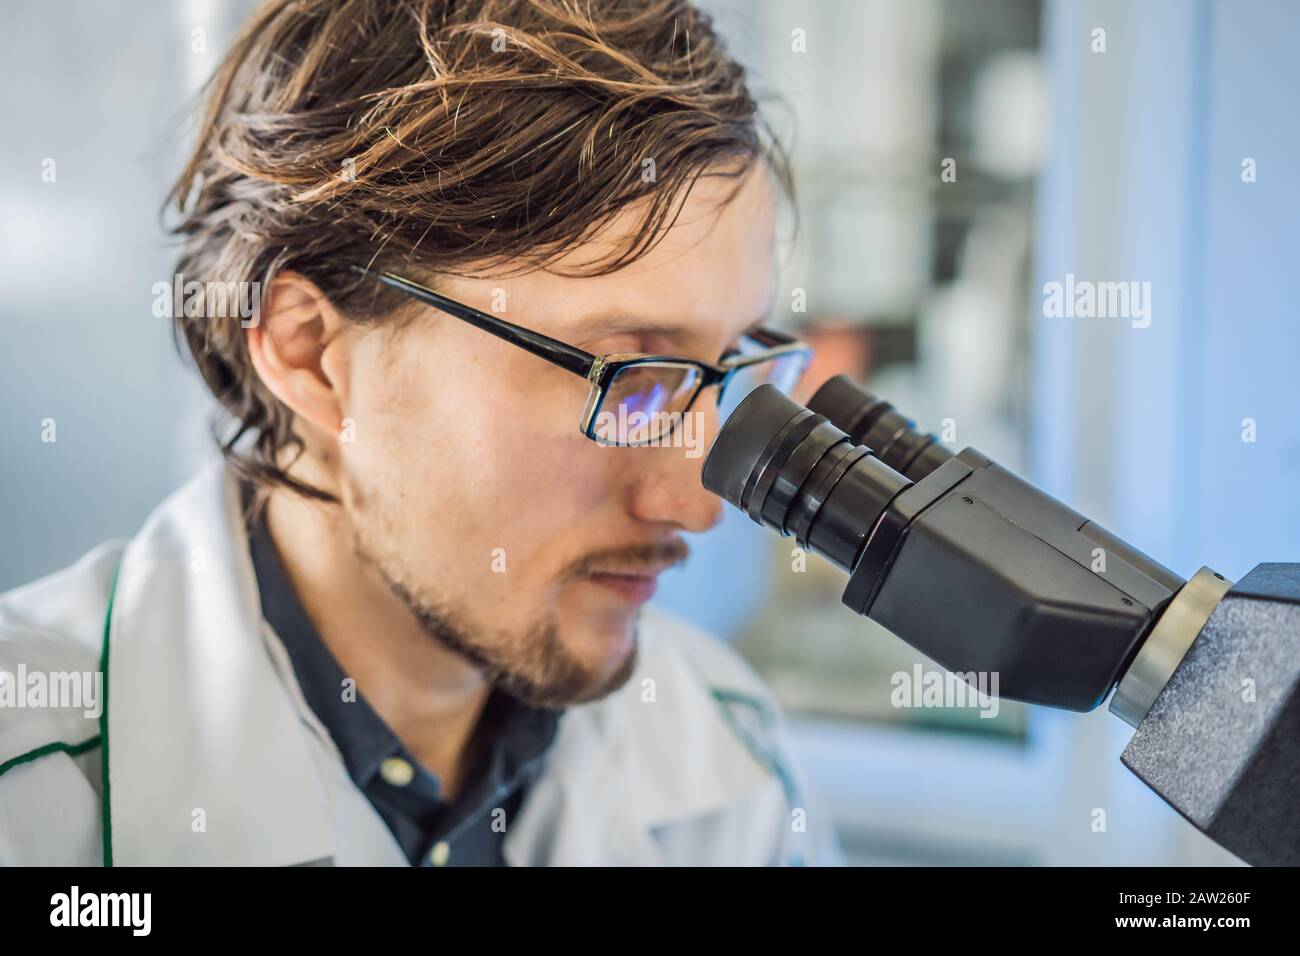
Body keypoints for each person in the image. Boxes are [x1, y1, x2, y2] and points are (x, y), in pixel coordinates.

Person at [0, 0, 839, 866]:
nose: (696, 504)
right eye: (626, 376)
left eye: (726, 365)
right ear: (314, 353)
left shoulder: (727, 757)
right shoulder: (27, 802)